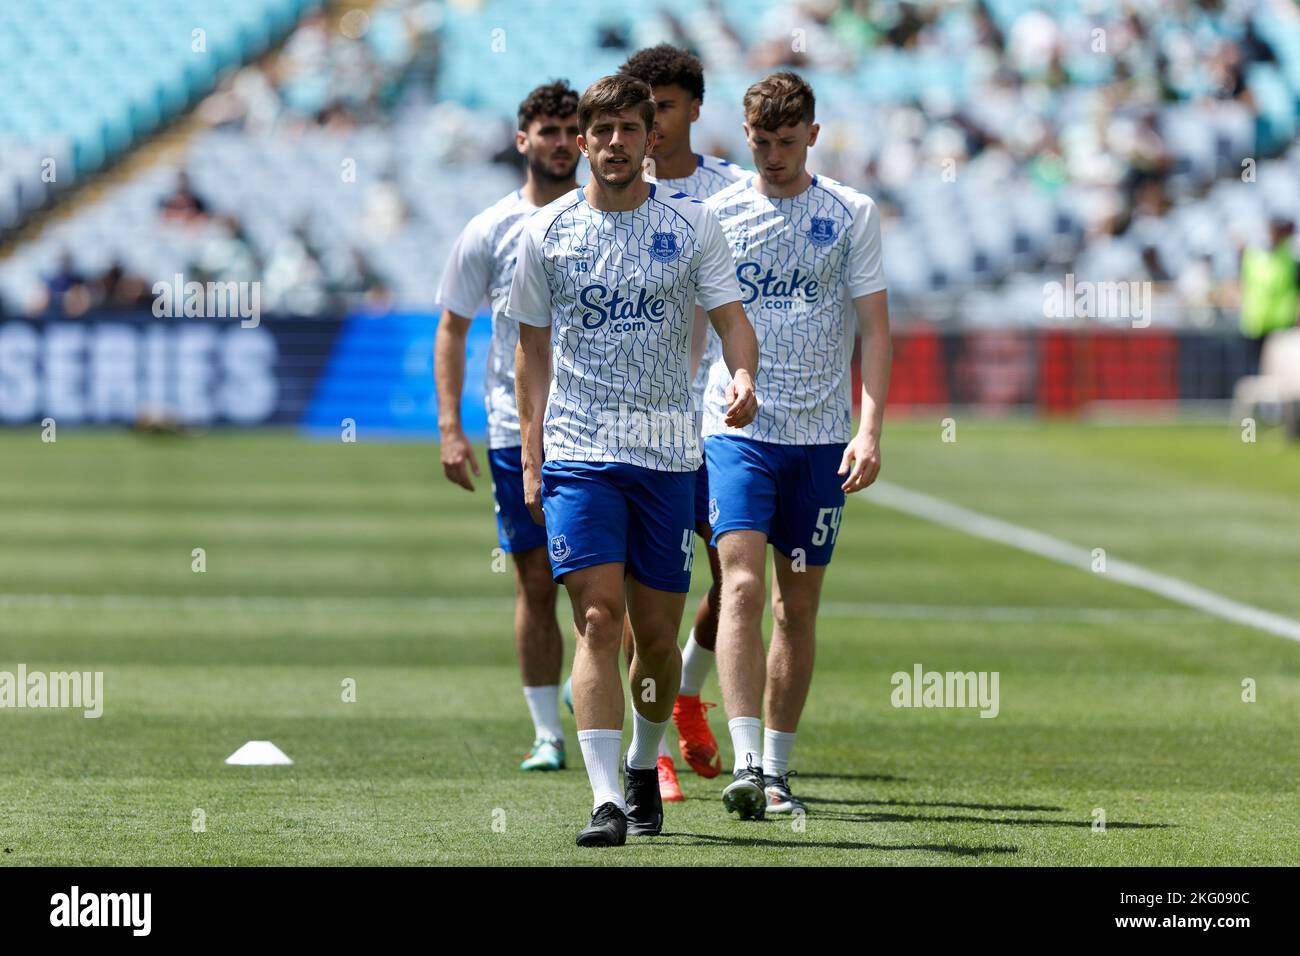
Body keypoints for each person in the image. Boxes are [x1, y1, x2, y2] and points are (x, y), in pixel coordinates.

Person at [509, 74, 759, 847]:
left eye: (628, 129)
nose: (615, 142)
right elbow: (530, 350)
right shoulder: (546, 233)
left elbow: (732, 321)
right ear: (583, 141)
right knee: (596, 618)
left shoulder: (692, 226)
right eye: (602, 130)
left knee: (654, 639)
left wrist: (744, 376)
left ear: (651, 138)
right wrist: (532, 454)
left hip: (667, 454)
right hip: (580, 452)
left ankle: (643, 764)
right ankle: (604, 800)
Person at [702, 72, 891, 819]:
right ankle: (747, 761)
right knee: (741, 587)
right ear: (745, 137)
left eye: (787, 141)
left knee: (795, 607)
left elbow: (875, 328)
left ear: (812, 135)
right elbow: (695, 324)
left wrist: (869, 430)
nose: (774, 155)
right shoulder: (717, 215)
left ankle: (777, 769)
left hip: (820, 438)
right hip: (738, 432)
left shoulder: (850, 213)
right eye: (761, 142)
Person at [614, 42, 752, 798]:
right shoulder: (611, 190)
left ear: (695, 108)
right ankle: (655, 749)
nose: (653, 121)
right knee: (640, 591)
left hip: (719, 416)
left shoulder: (732, 192)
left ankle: (689, 692)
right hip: (641, 421)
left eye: (664, 107)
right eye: (643, 109)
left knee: (736, 575)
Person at [434, 81, 581, 772]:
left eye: (571, 130)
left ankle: (600, 694)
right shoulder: (490, 229)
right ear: (523, 140)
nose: (562, 142)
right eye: (548, 130)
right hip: (512, 427)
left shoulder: (607, 219)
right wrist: (449, 426)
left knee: (607, 583)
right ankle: (547, 732)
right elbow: (452, 327)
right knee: (536, 582)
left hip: (598, 426)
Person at [1239, 217, 1299, 375]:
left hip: (1282, 325)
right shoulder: (1252, 256)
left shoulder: (1291, 258)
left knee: (1279, 372)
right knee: (1255, 371)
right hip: (1255, 324)